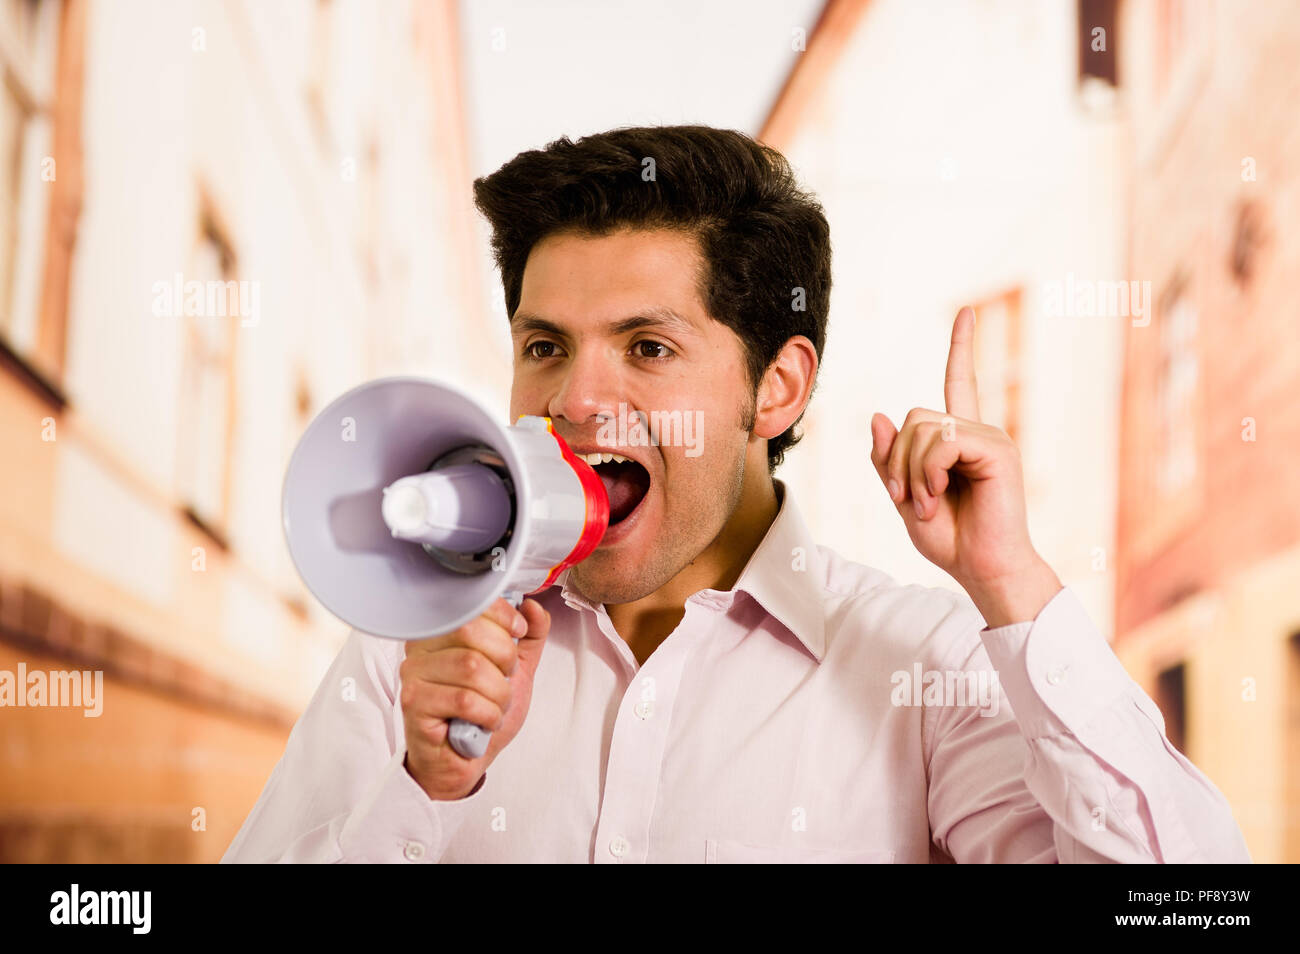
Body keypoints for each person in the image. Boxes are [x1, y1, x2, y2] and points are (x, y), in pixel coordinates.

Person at [222, 125, 1250, 863]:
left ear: (777, 386)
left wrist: (1013, 587)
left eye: (648, 346)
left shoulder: (920, 667)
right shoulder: (416, 653)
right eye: (544, 347)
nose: (573, 400)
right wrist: (425, 791)